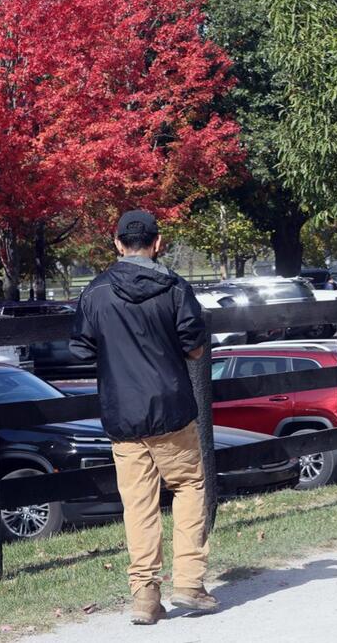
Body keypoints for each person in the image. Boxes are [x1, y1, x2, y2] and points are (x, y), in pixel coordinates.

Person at [70, 210, 216, 626]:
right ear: (158, 243)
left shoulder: (96, 292)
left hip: (123, 413)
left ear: (117, 243)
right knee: (189, 488)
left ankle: (145, 596)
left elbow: (80, 350)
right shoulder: (175, 287)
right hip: (172, 410)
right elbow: (195, 348)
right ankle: (188, 582)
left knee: (138, 505)